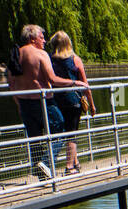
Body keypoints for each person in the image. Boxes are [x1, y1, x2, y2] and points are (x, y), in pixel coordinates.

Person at [6, 25, 85, 180]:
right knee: (60, 130)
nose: (44, 40)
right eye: (41, 37)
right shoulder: (40, 54)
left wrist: (18, 104)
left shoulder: (15, 55)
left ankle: (41, 172)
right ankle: (46, 163)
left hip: (24, 102)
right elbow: (53, 79)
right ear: (32, 38)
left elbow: (11, 84)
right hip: (43, 102)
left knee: (34, 138)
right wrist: (74, 83)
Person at [48, 32, 94, 174]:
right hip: (73, 100)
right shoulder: (75, 59)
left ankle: (75, 162)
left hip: (56, 100)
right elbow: (85, 85)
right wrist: (92, 105)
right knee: (72, 133)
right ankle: (69, 166)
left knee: (65, 131)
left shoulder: (49, 59)